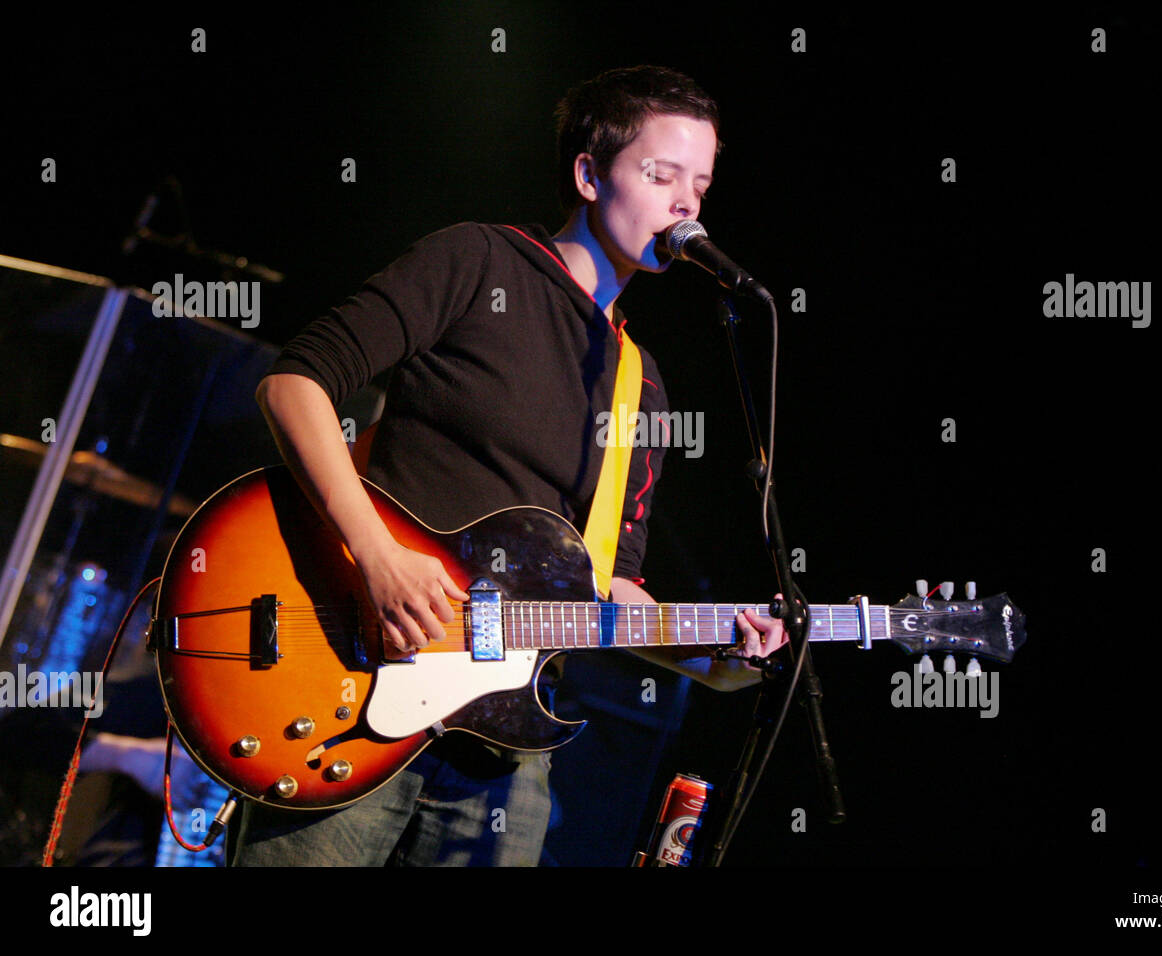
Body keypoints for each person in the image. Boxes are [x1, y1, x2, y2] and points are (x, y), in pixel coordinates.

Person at [230, 65, 787, 867]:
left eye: (699, 185)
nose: (686, 205)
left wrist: (719, 657)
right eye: (662, 175)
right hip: (350, 684)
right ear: (589, 174)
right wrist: (377, 556)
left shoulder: (642, 387)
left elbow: (606, 589)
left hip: (503, 749)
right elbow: (294, 384)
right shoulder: (477, 260)